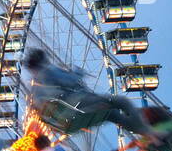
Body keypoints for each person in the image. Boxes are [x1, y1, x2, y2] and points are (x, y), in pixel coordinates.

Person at [25, 49, 153, 138]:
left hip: (67, 125)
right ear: (42, 60)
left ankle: (146, 133)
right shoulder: (48, 71)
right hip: (76, 108)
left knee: (111, 113)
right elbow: (71, 80)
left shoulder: (34, 91)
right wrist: (77, 71)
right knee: (121, 102)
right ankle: (147, 132)